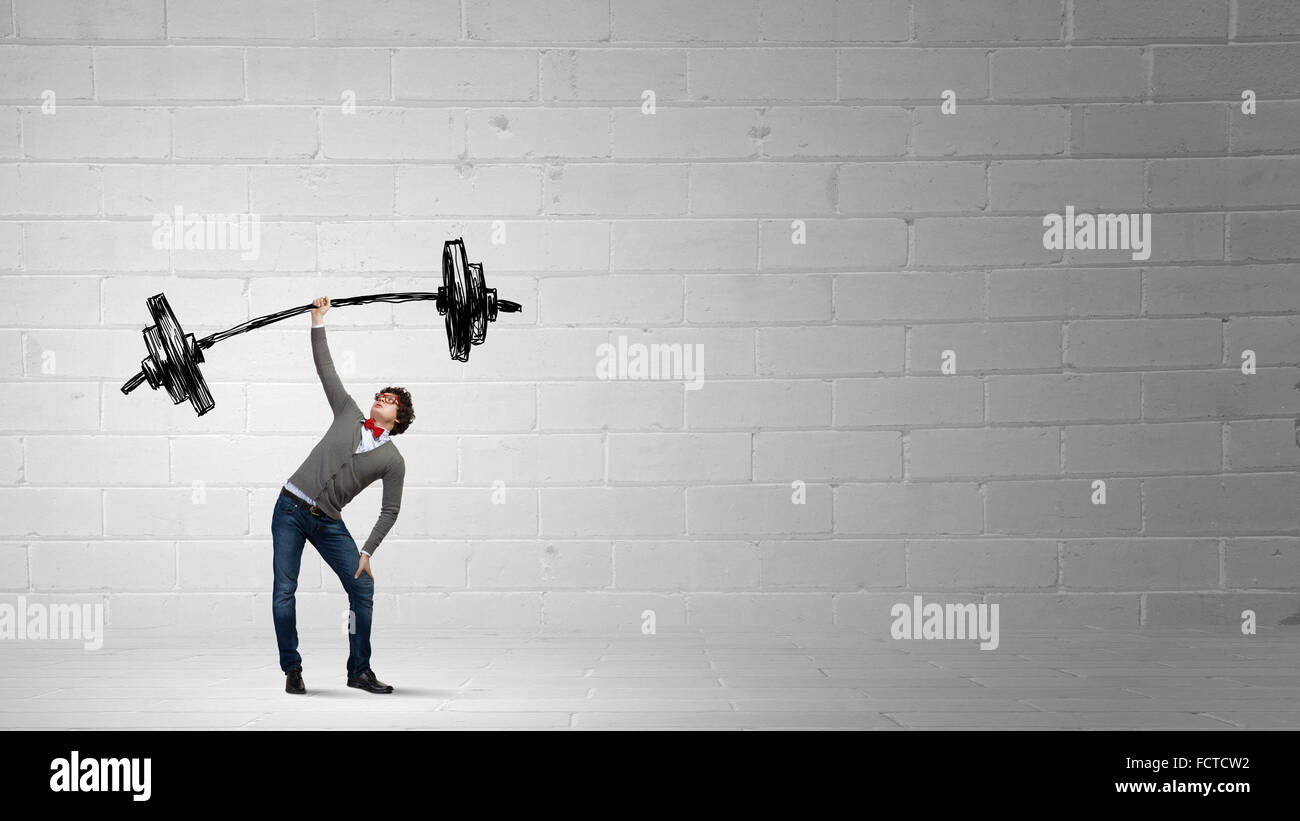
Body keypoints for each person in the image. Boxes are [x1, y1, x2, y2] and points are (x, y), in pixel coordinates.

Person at [271, 296, 412, 695]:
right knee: (284, 590)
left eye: (391, 400)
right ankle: (292, 669)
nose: (382, 398)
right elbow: (326, 369)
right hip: (289, 508)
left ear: (398, 419)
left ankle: (359, 670)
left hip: (327, 522)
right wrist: (317, 320)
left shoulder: (393, 460)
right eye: (381, 394)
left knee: (362, 587)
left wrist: (366, 552)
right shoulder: (349, 411)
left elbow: (390, 510)